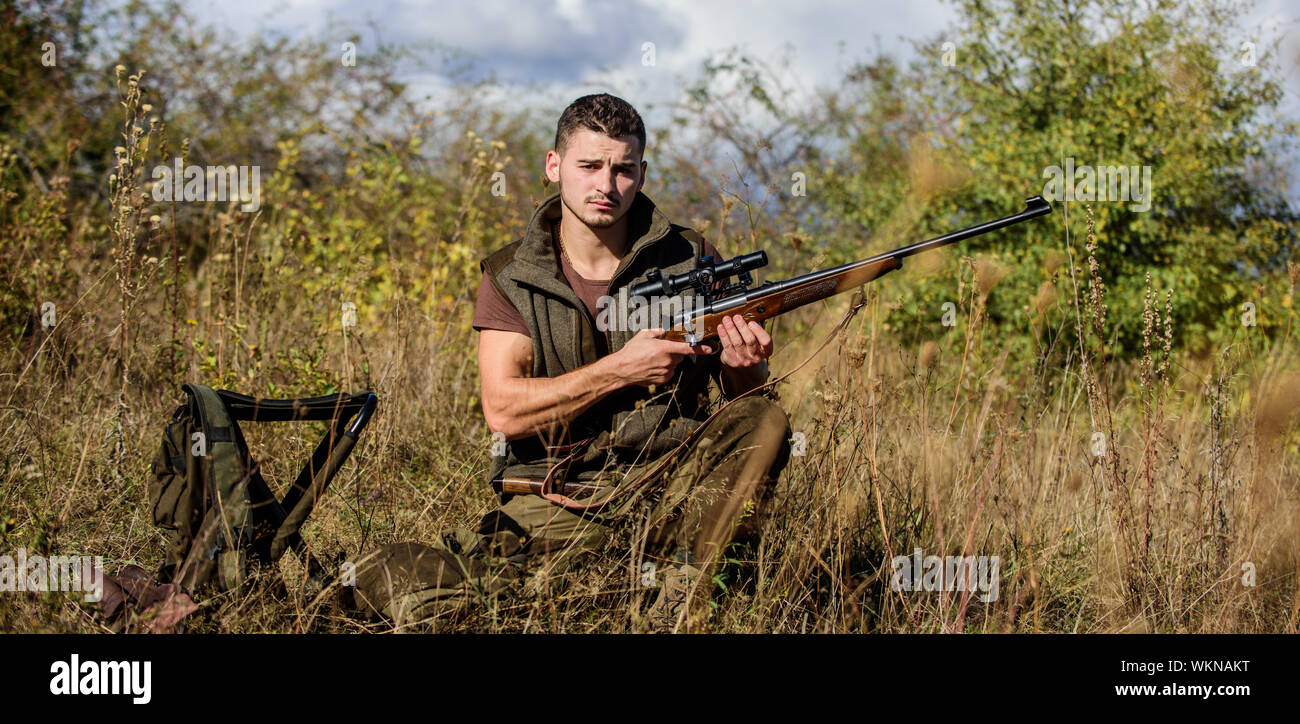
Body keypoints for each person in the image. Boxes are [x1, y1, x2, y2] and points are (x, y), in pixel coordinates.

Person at [345, 93, 792, 632]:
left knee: (764, 418)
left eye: (624, 169)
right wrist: (622, 370)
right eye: (590, 165)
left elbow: (743, 399)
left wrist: (746, 365)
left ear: (642, 172)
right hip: (555, 501)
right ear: (554, 166)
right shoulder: (511, 275)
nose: (606, 185)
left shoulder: (691, 257)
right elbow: (505, 412)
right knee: (426, 598)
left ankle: (676, 609)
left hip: (672, 492)